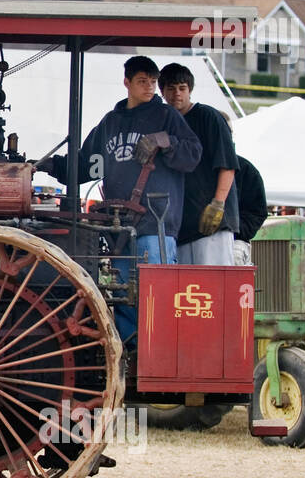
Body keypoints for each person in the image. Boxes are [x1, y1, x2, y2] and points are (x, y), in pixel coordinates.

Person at [38, 55, 201, 342]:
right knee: (125, 297)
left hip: (156, 223)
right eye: (142, 82)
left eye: (152, 82)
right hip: (119, 227)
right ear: (127, 82)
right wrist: (51, 166)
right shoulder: (111, 123)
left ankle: (158, 355)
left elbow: (193, 155)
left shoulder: (168, 117)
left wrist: (166, 140)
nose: (149, 88)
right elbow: (86, 163)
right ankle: (132, 356)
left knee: (157, 296)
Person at [158, 62, 238, 265]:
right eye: (171, 88)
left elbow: (228, 164)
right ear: (162, 91)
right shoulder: (163, 123)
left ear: (190, 90)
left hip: (211, 224)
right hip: (180, 225)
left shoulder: (208, 117)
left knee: (215, 286)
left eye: (182, 88)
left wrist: (218, 204)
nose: (177, 94)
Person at [233, 153, 267, 265]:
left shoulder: (246, 170)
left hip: (235, 240)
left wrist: (231, 229)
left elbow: (257, 213)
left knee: (235, 255)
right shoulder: (192, 165)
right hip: (191, 238)